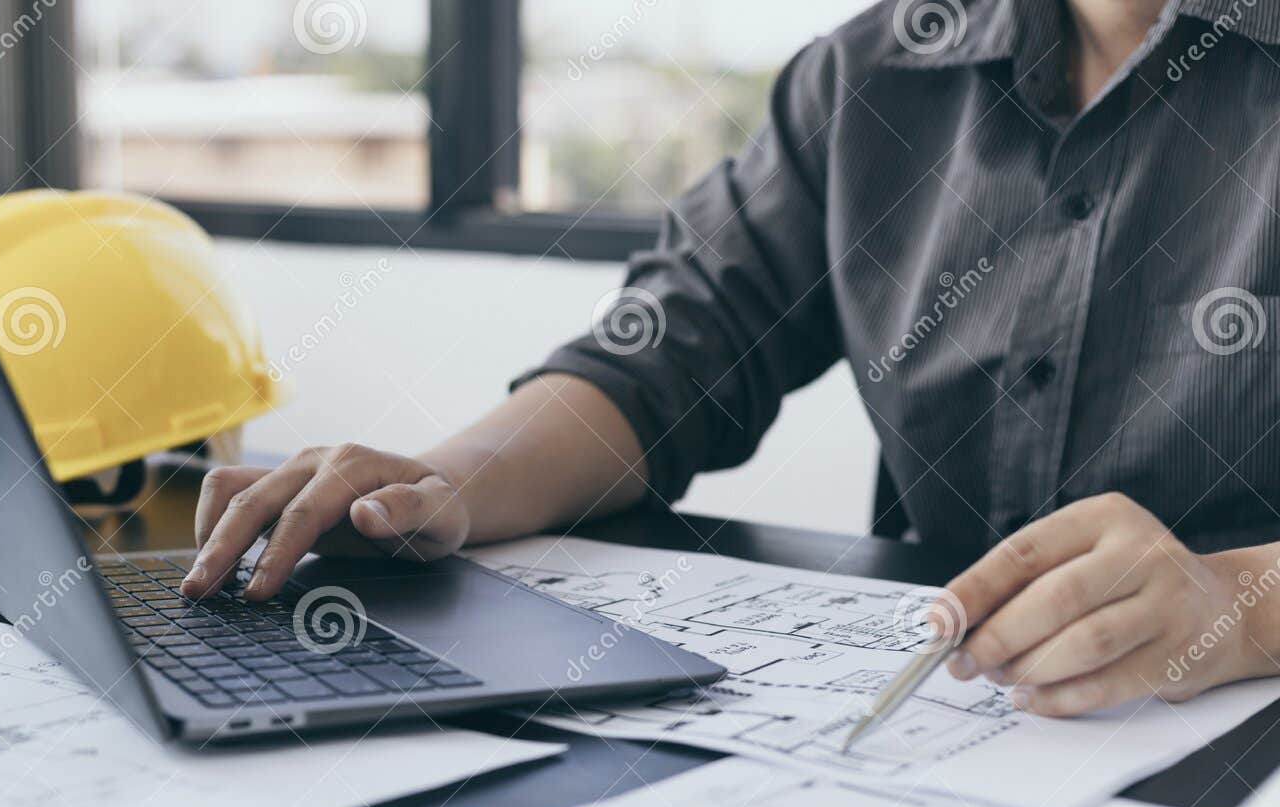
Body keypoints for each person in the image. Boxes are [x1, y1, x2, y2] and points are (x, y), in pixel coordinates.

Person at [182, 0, 1280, 718]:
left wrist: (1229, 600)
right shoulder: (870, 76)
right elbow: (671, 346)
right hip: (944, 725)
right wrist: (441, 481)